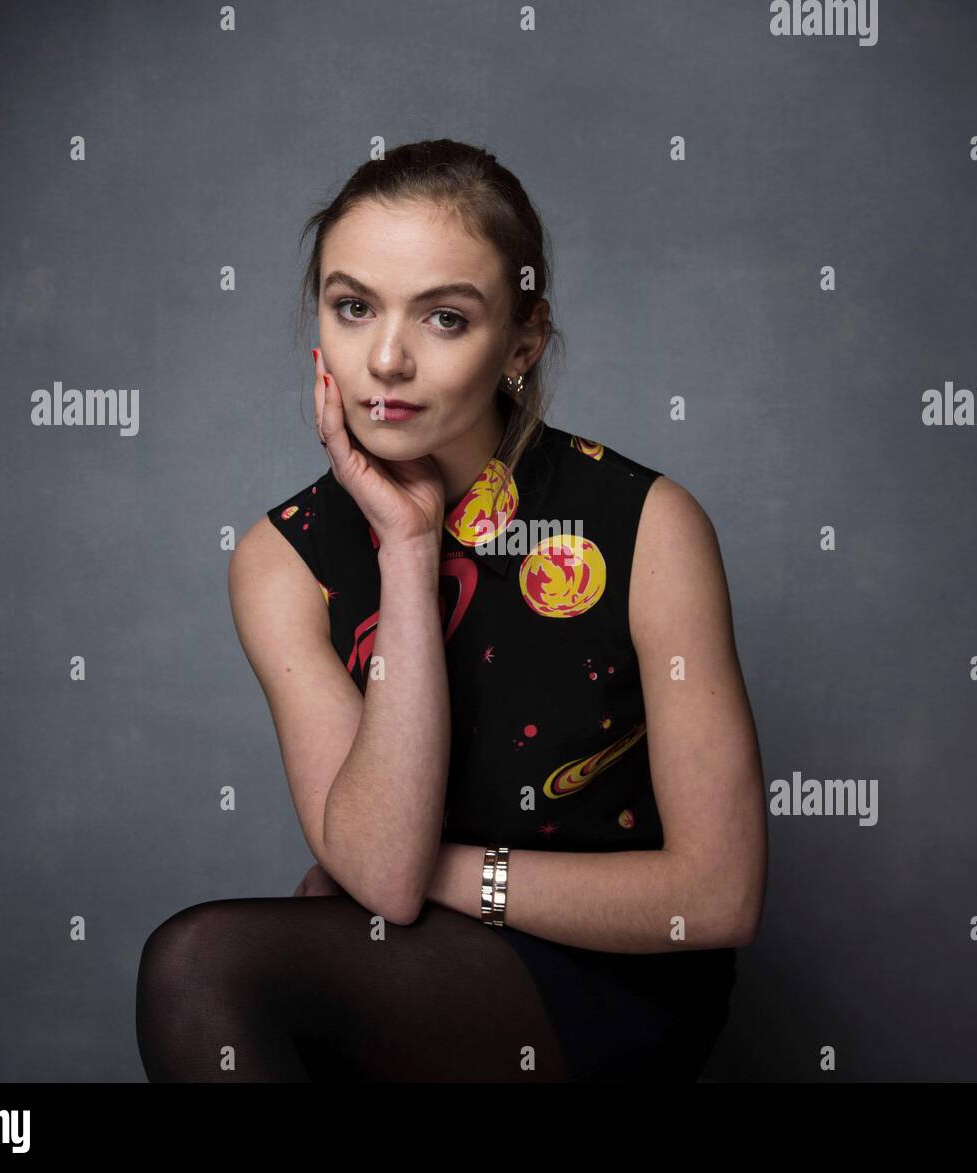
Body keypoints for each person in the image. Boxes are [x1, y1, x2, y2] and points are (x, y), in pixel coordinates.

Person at [135, 139, 767, 1083]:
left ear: (522, 340)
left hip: (618, 981)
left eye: (443, 317)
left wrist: (437, 877)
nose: (385, 359)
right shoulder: (281, 561)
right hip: (416, 960)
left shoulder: (647, 525)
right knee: (212, 967)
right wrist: (407, 546)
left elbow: (717, 896)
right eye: (353, 308)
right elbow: (380, 876)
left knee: (208, 959)